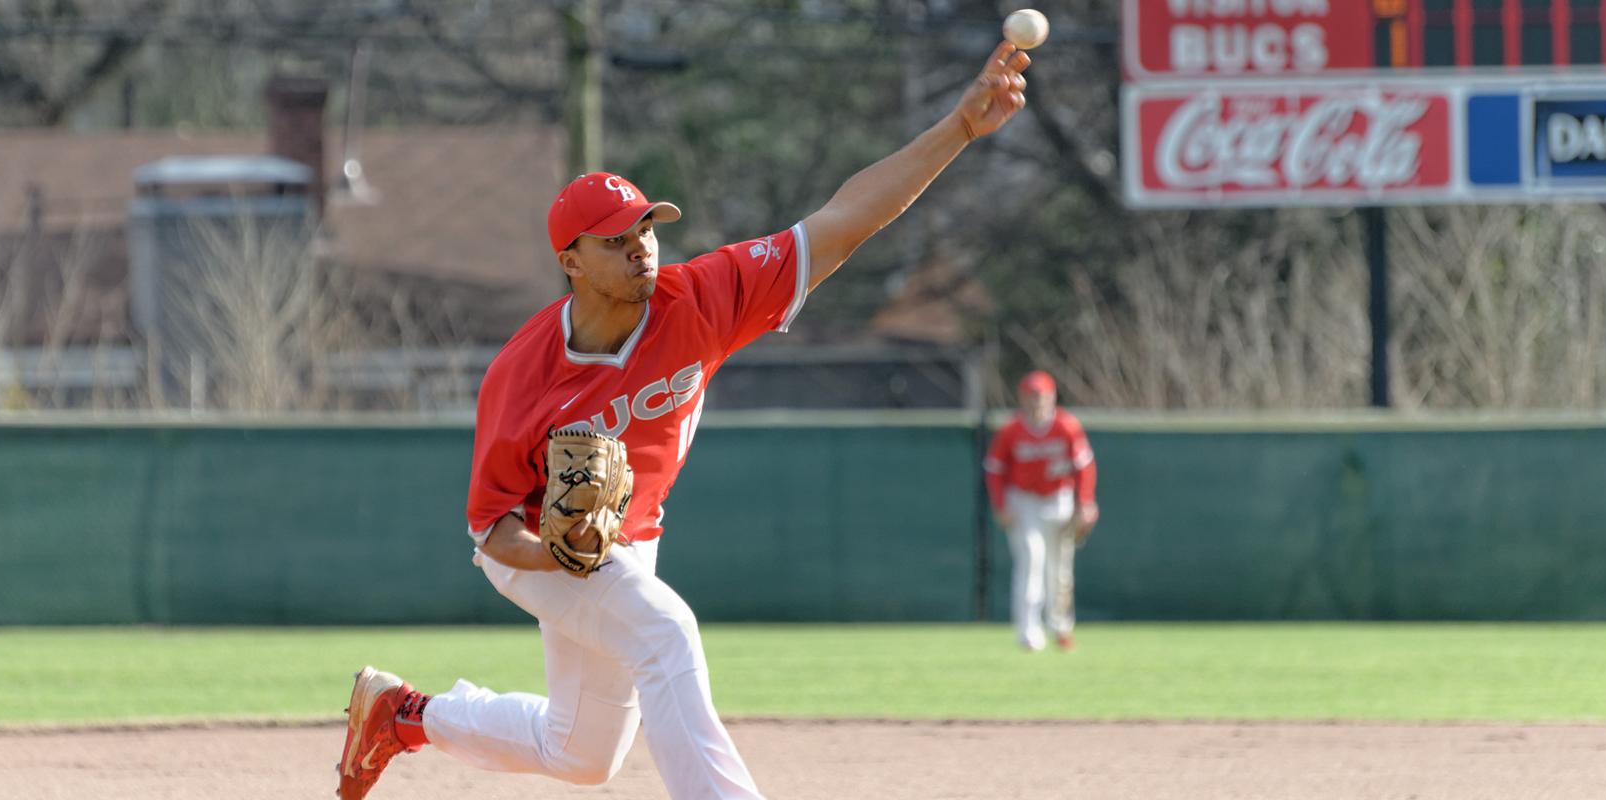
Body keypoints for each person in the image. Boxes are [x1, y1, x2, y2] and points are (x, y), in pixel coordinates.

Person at [333, 41, 1034, 800]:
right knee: (666, 634)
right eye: (616, 240)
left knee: (581, 753)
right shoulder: (523, 373)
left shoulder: (699, 299)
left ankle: (401, 716)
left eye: (646, 229)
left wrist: (960, 128)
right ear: (571, 262)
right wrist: (557, 554)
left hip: (630, 541)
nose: (641, 248)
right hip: (534, 550)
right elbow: (489, 531)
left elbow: (840, 223)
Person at [984, 370, 1097, 652]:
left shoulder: (1067, 426)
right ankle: (1029, 630)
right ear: (1022, 398)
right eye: (1032, 396)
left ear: (1052, 397)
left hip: (1059, 499)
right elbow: (994, 470)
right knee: (1031, 559)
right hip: (1024, 502)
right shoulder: (1011, 430)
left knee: (1059, 568)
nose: (1037, 402)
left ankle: (1060, 626)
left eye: (1042, 396)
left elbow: (1085, 466)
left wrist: (1085, 502)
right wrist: (1000, 504)